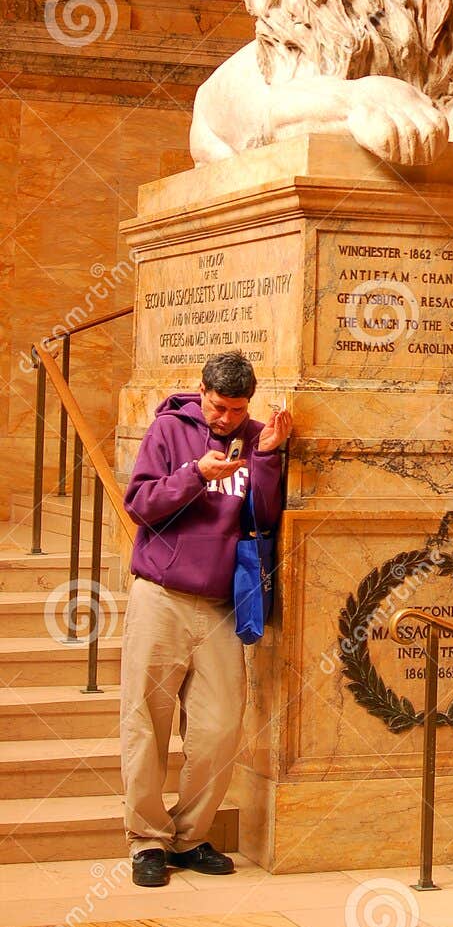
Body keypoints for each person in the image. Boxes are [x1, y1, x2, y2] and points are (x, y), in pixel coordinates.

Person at [120, 352, 292, 887]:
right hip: (161, 595)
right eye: (219, 407)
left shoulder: (257, 436)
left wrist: (267, 457)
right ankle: (148, 840)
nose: (226, 419)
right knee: (147, 722)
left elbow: (263, 518)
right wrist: (195, 475)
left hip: (222, 604)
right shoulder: (169, 429)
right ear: (202, 392)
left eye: (237, 409)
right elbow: (141, 503)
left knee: (219, 729)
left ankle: (190, 837)